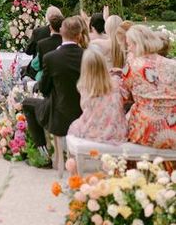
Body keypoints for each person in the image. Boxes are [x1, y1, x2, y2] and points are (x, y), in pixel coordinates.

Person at [22, 16, 84, 166]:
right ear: (80, 35)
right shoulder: (88, 55)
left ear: (62, 32)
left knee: (27, 104)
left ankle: (43, 155)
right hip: (84, 116)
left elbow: (44, 89)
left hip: (59, 118)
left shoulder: (51, 58)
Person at [122, 25, 176, 149]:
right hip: (173, 126)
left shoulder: (132, 65)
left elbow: (124, 96)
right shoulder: (173, 64)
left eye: (129, 45)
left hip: (145, 130)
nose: (128, 49)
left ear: (137, 44)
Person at [68, 47, 127, 144]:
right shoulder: (116, 82)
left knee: (74, 128)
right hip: (118, 131)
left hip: (95, 131)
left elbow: (84, 108)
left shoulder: (84, 86)